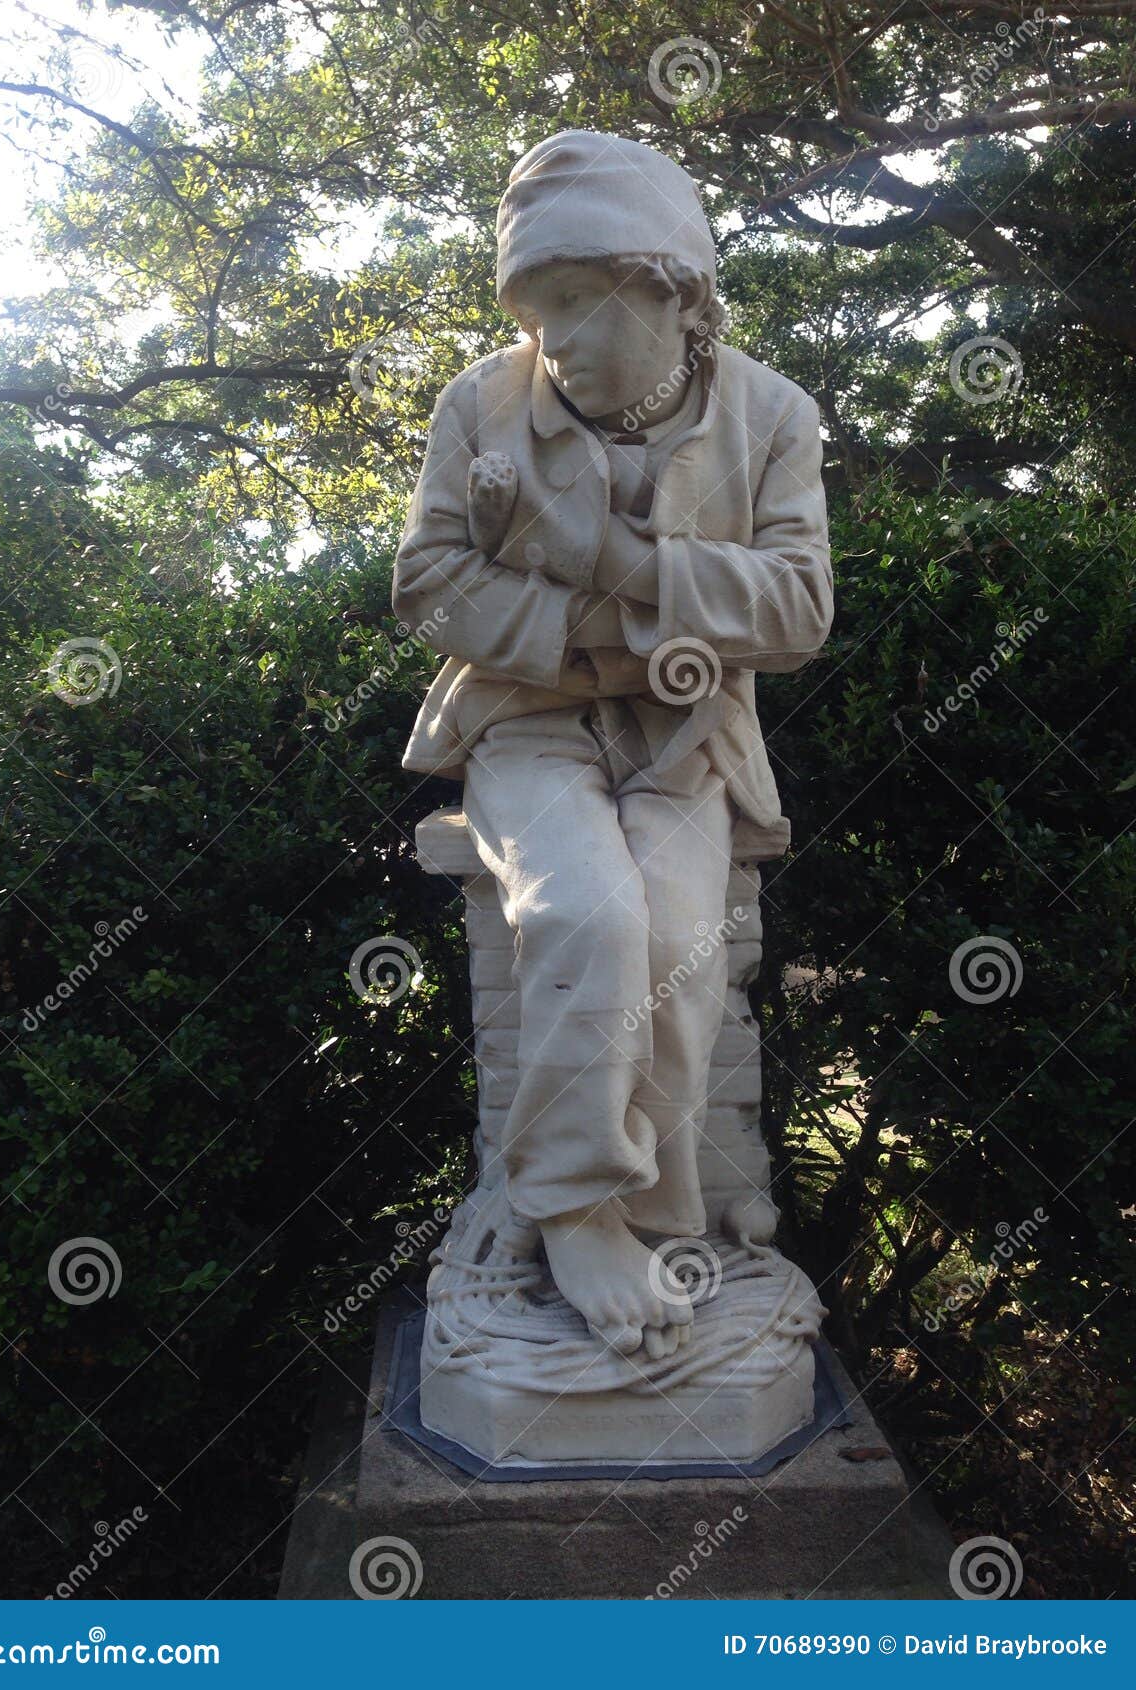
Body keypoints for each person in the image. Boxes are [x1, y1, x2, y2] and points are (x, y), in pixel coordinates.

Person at [394, 130, 832, 1360]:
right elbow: (428, 585)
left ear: (673, 292)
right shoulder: (481, 403)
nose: (557, 342)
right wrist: (606, 631)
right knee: (585, 915)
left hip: (688, 735)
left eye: (580, 302)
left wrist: (619, 560)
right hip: (527, 723)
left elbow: (799, 609)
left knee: (681, 947)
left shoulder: (772, 415)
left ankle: (652, 1215)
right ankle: (577, 1210)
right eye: (537, 312)